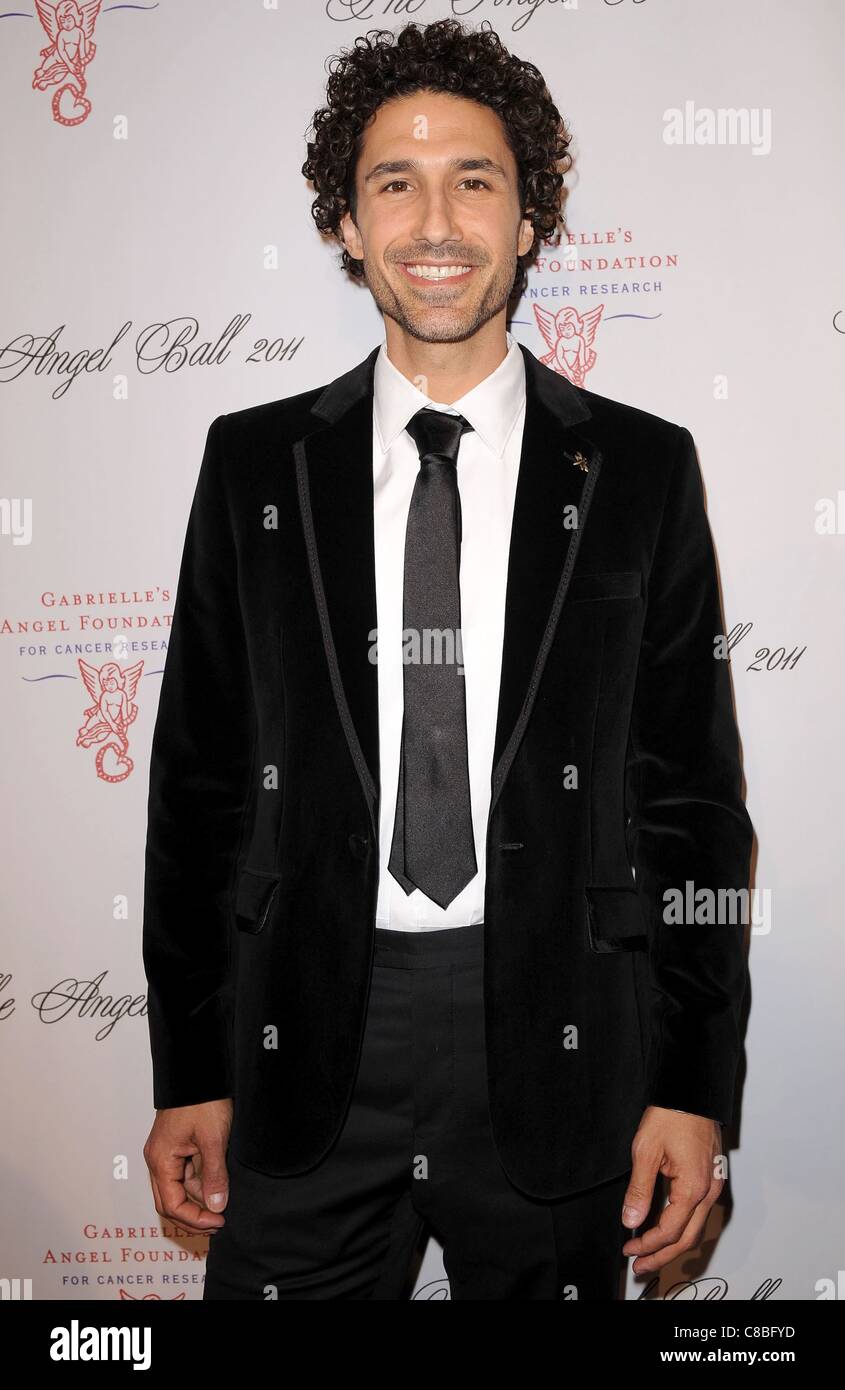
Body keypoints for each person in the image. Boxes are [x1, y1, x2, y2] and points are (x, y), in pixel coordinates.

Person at [142, 18, 754, 1301]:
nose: (435, 222)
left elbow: (694, 804)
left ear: (528, 220)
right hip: (305, 1029)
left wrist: (693, 1086)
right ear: (345, 226)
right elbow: (196, 783)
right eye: (393, 183)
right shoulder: (255, 465)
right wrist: (188, 1066)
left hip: (560, 1030)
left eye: (475, 180)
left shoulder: (641, 469)